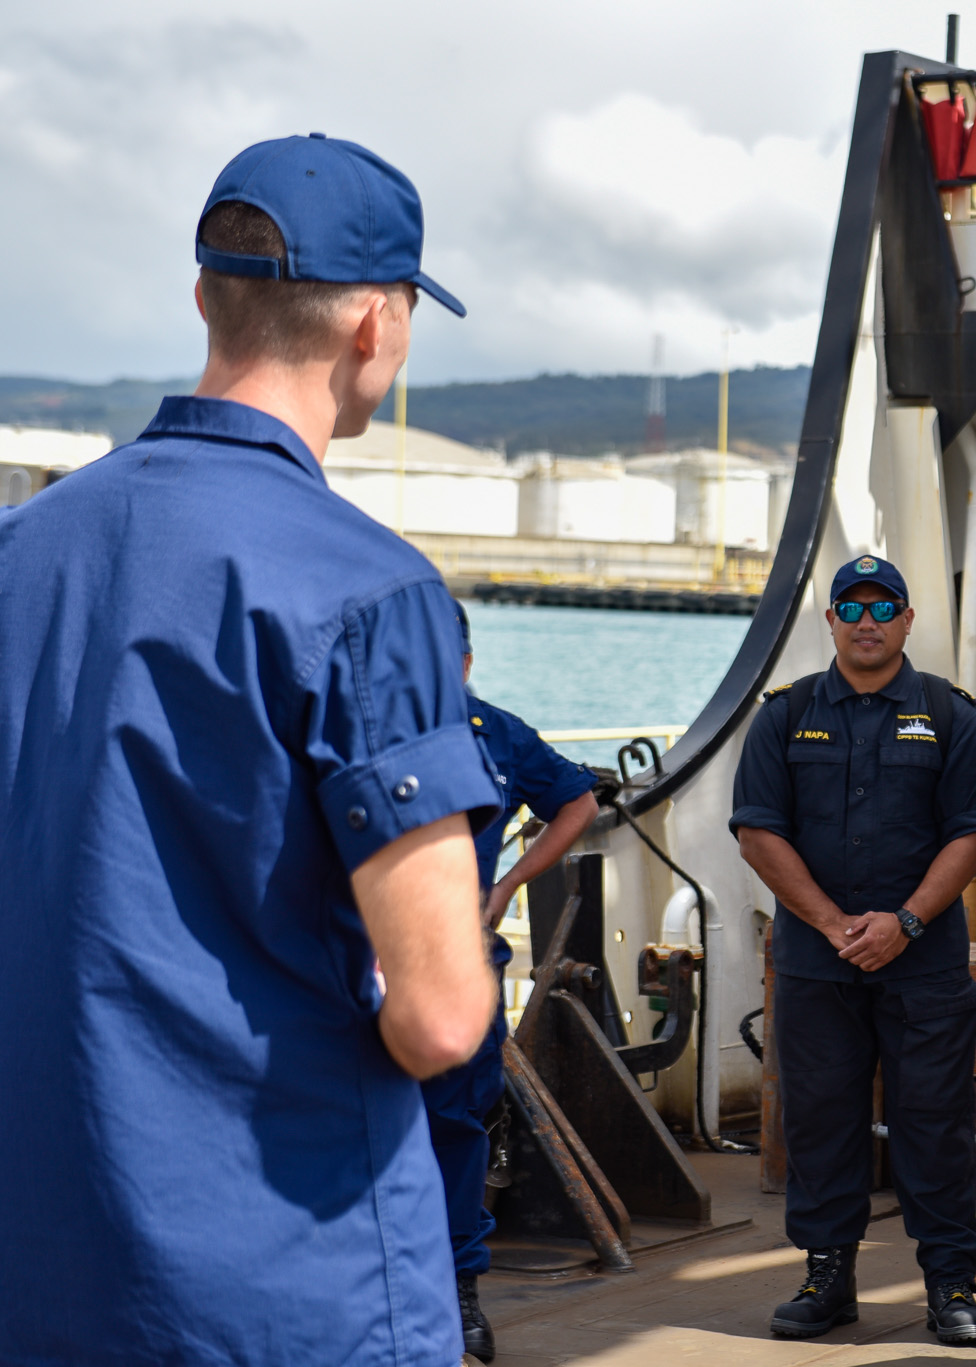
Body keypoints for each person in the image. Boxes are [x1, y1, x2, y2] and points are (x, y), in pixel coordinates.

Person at [0, 135, 498, 1363]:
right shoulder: (370, 589)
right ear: (375, 326)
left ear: (203, 298)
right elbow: (438, 1016)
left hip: (42, 1265)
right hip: (286, 1277)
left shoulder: (23, 552)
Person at [730, 555, 976, 1347]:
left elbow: (974, 832)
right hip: (821, 966)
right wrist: (829, 923)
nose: (868, 620)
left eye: (884, 606)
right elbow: (757, 831)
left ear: (909, 620)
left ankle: (951, 1282)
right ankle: (827, 1277)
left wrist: (905, 922)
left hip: (923, 965)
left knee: (935, 1123)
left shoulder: (951, 716)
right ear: (832, 622)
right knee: (822, 1121)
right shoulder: (783, 716)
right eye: (851, 607)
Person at [421, 600, 599, 1362]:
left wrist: (508, 888)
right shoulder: (353, 727)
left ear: (465, 660)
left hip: (460, 964)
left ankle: (460, 1292)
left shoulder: (497, 733)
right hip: (362, 971)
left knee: (457, 1128)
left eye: (447, 653)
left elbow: (576, 799)